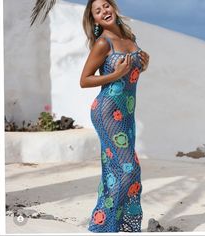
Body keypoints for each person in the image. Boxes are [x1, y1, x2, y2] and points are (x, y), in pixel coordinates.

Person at [80, 0, 150, 233]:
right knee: (127, 169)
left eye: (105, 6)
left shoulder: (130, 39)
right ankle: (103, 225)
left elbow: (131, 72)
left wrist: (143, 63)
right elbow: (85, 80)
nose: (103, 12)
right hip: (107, 111)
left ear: (114, 7)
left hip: (127, 113)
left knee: (124, 171)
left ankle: (127, 225)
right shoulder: (102, 43)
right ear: (95, 20)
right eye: (97, 12)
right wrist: (117, 73)